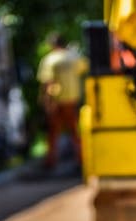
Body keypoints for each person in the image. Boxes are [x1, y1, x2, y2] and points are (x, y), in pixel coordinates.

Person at [37, 35, 87, 171]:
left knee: (53, 132)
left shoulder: (50, 59)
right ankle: (82, 159)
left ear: (52, 45)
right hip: (72, 99)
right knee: (75, 131)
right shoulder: (74, 57)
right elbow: (84, 69)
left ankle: (50, 161)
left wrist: (45, 101)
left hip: (56, 101)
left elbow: (47, 82)